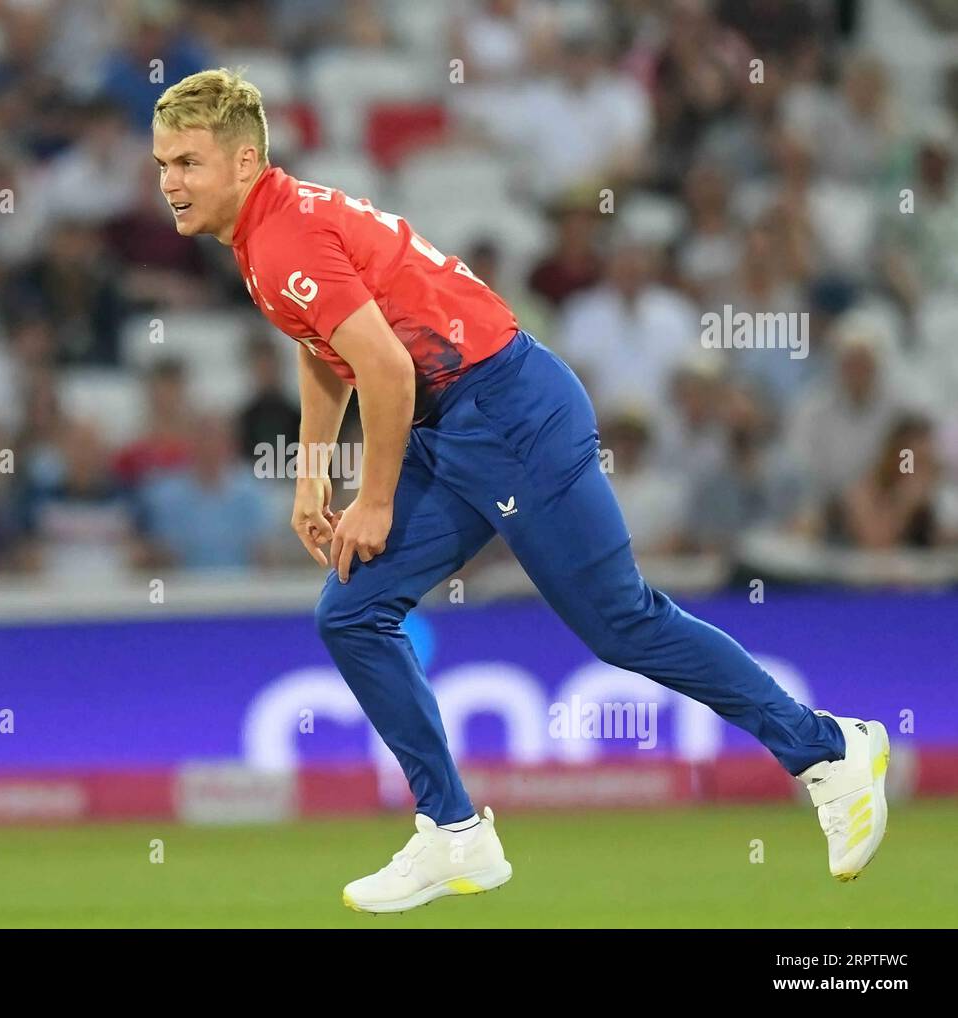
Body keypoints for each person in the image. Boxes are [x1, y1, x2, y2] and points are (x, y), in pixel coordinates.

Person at [152, 68, 890, 914]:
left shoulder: (278, 239)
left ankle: (829, 750)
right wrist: (312, 476)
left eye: (187, 162)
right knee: (352, 611)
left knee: (623, 623)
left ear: (244, 163)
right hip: (458, 419)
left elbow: (385, 369)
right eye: (164, 162)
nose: (170, 181)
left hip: (505, 416)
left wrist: (374, 497)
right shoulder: (271, 228)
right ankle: (455, 835)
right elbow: (328, 347)